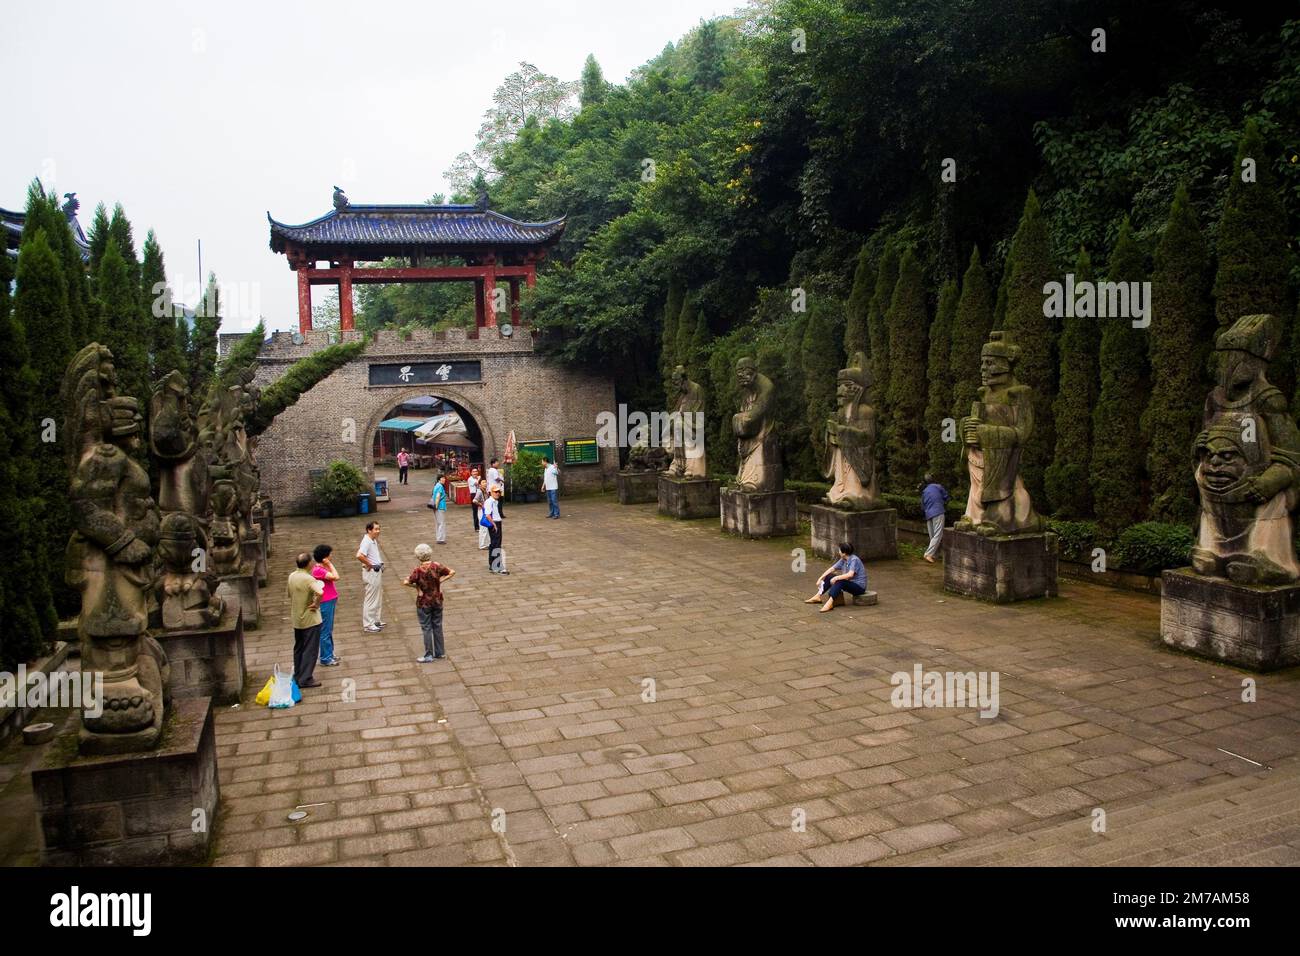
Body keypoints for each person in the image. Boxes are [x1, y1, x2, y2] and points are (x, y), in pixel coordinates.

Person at [403, 543, 456, 662]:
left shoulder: (417, 570)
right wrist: (441, 581)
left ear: (418, 556)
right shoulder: (437, 566)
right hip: (437, 600)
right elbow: (452, 572)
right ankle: (440, 652)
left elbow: (406, 582)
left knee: (426, 628)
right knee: (437, 625)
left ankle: (428, 654)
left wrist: (416, 587)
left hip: (424, 602)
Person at [287, 552, 324, 688]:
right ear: (308, 564)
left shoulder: (292, 576)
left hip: (297, 618)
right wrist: (316, 604)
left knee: (299, 648)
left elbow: (290, 593)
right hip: (310, 619)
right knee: (310, 649)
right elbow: (320, 592)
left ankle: (298, 675)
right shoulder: (309, 579)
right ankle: (306, 678)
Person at [805, 543, 868, 613]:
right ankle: (817, 596)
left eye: (840, 551)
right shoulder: (843, 559)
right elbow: (831, 569)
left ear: (844, 553)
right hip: (849, 583)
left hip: (859, 587)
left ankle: (830, 603)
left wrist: (836, 578)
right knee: (830, 576)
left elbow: (850, 574)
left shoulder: (854, 560)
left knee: (840, 581)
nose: (839, 552)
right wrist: (820, 578)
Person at [312, 543, 341, 666]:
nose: (331, 557)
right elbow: (336, 577)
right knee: (325, 630)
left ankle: (330, 653)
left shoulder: (321, 568)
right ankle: (325, 657)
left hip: (330, 600)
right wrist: (329, 564)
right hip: (326, 601)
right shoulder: (319, 570)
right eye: (329, 555)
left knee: (329, 629)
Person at [356, 521, 386, 632]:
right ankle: (368, 624)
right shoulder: (367, 541)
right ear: (369, 530)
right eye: (376, 529)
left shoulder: (372, 540)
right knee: (371, 598)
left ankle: (376, 620)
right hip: (372, 572)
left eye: (379, 529)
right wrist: (370, 564)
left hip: (376, 571)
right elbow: (359, 555)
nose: (378, 531)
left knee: (378, 597)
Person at [921, 474, 951, 563]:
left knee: (933, 536)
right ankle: (929, 554)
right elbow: (947, 497)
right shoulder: (938, 486)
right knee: (938, 535)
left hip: (928, 514)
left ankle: (935, 555)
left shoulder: (924, 491)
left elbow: (922, 506)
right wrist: (943, 503)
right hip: (938, 512)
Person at [484, 483, 509, 574]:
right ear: (491, 492)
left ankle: (492, 565)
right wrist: (494, 524)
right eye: (496, 492)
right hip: (494, 524)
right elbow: (487, 515)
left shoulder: (495, 501)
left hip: (497, 523)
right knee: (496, 545)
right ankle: (497, 566)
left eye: (499, 492)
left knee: (494, 544)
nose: (498, 493)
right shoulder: (489, 501)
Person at [432, 475, 449, 544]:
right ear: (439, 479)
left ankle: (439, 537)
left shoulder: (436, 486)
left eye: (444, 478)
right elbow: (438, 497)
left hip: (436, 507)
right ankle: (441, 539)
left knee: (438, 523)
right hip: (440, 506)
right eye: (442, 478)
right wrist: (436, 506)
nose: (444, 480)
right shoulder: (440, 486)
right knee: (441, 523)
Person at [467, 467, 481, 531]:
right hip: (473, 494)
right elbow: (476, 484)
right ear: (471, 473)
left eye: (476, 471)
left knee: (480, 510)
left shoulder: (477, 478)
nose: (475, 473)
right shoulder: (470, 479)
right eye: (474, 471)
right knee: (475, 511)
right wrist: (479, 479)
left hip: (479, 493)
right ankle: (476, 527)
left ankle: (481, 524)